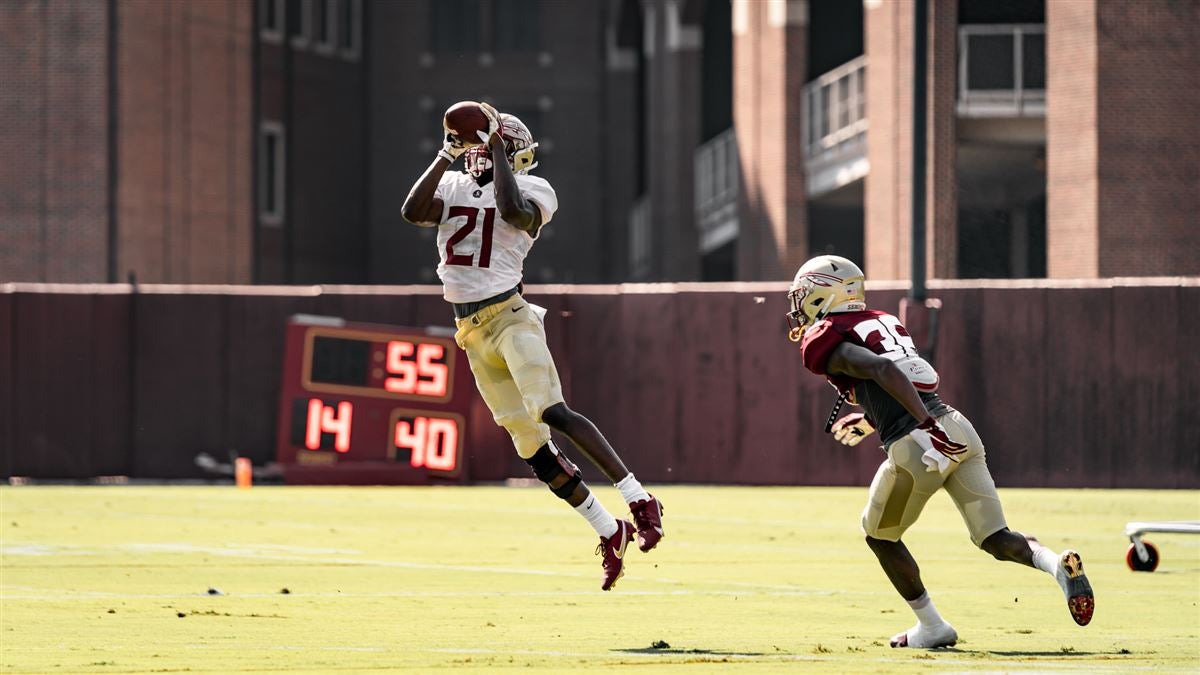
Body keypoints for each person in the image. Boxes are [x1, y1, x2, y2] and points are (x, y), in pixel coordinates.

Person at [400, 102, 664, 591]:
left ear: (514, 152)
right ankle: (609, 530)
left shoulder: (538, 190)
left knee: (551, 411)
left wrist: (496, 145)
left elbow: (512, 210)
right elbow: (412, 211)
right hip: (471, 332)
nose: (478, 155)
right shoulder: (455, 184)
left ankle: (639, 498)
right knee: (531, 447)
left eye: (490, 147)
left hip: (510, 318)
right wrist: (444, 154)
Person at [786, 254, 1094, 648]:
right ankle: (1057, 566)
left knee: (879, 535)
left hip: (921, 442)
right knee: (995, 538)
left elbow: (885, 371)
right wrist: (870, 421)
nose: (799, 305)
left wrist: (922, 426)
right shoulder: (880, 320)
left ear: (823, 294)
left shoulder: (827, 334)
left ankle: (932, 627)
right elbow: (910, 380)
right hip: (958, 428)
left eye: (804, 294)